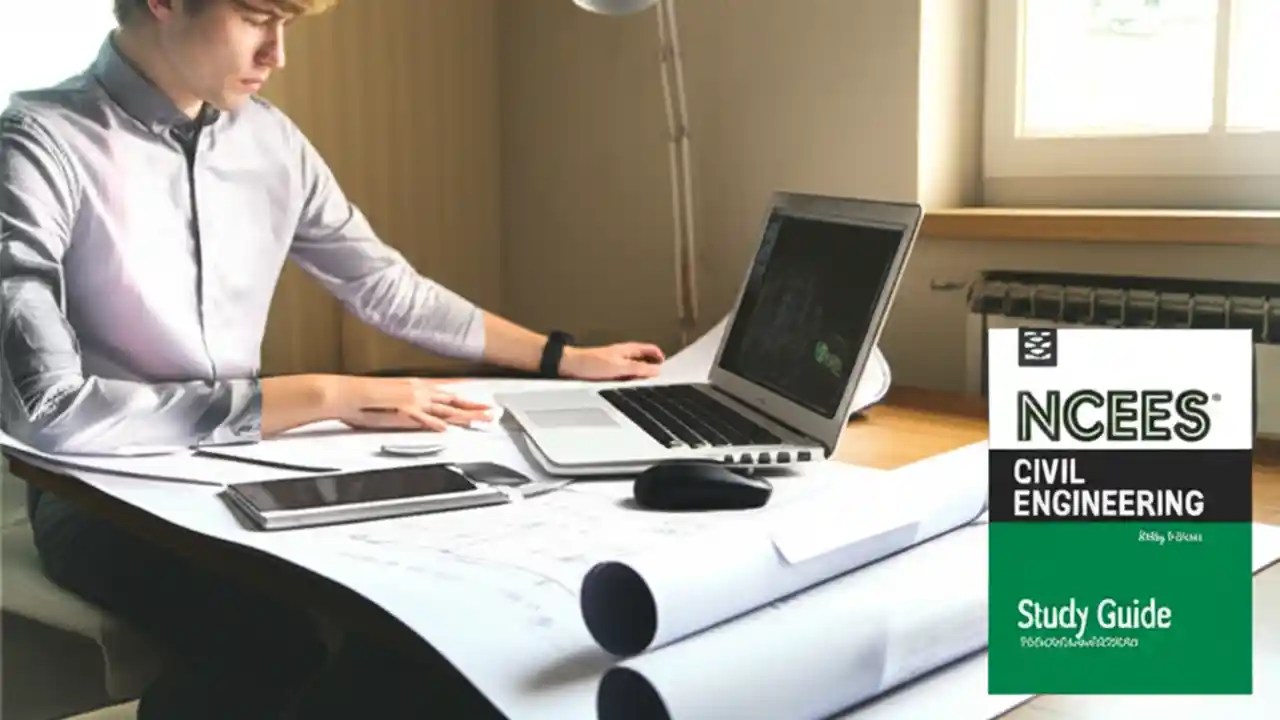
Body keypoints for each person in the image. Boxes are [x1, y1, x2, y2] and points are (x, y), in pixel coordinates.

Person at [0, 0, 665, 716]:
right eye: (258, 17)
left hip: (240, 470)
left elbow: (383, 286)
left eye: (288, 26)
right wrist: (317, 397)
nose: (276, 55)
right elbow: (49, 412)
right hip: (102, 497)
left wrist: (562, 357)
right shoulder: (38, 144)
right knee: (272, 643)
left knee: (431, 613)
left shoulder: (270, 142)